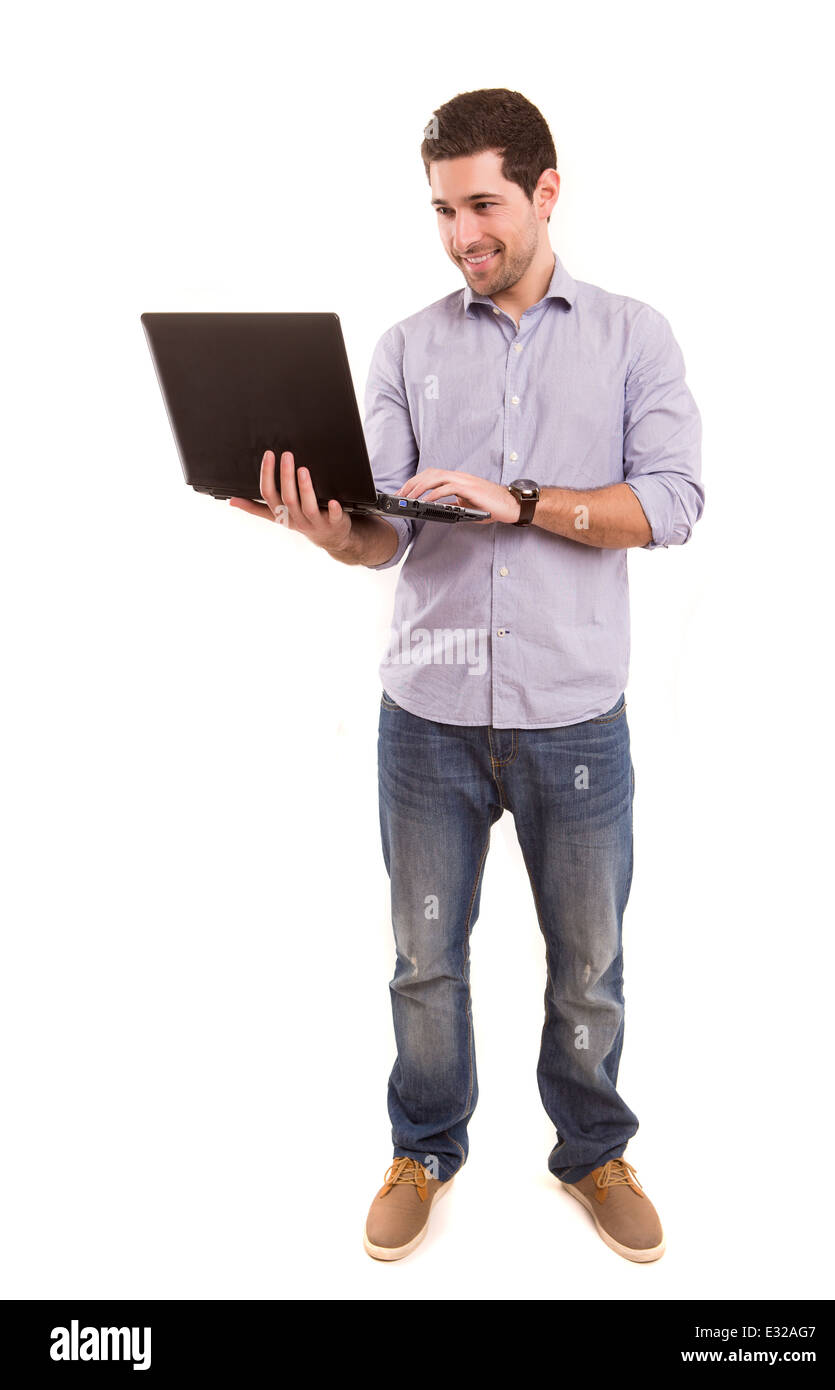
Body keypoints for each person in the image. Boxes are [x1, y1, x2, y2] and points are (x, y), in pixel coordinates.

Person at [230, 87, 704, 1264]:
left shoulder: (632, 335)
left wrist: (527, 500)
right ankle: (424, 1144)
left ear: (546, 191)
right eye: (442, 211)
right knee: (424, 958)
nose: (460, 236)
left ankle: (590, 1149)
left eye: (482, 205)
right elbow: (387, 530)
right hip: (426, 723)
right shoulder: (404, 347)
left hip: (574, 724)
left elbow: (675, 502)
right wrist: (325, 529)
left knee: (587, 963)